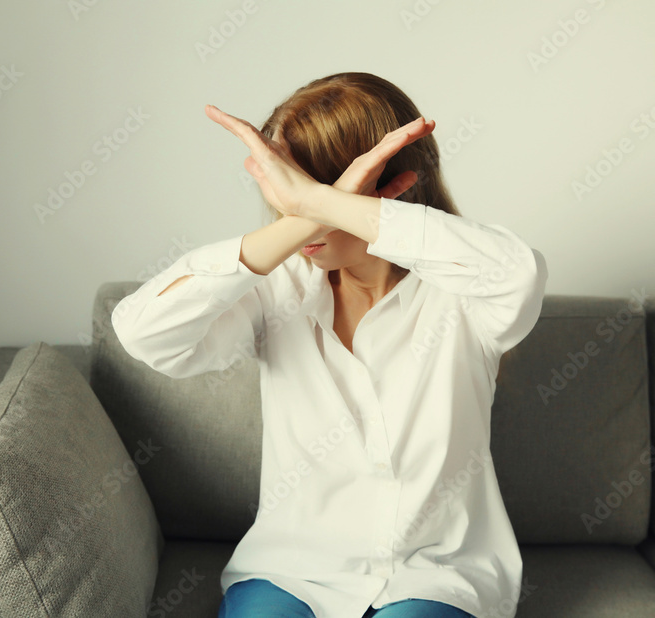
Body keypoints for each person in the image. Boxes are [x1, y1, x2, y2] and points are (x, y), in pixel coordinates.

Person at [111, 72, 548, 618]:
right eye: (283, 186)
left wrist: (323, 203)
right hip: (290, 574)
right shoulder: (274, 292)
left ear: (391, 183)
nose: (295, 209)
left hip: (436, 578)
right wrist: (312, 213)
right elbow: (143, 332)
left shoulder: (465, 296)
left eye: (314, 187)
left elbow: (518, 273)